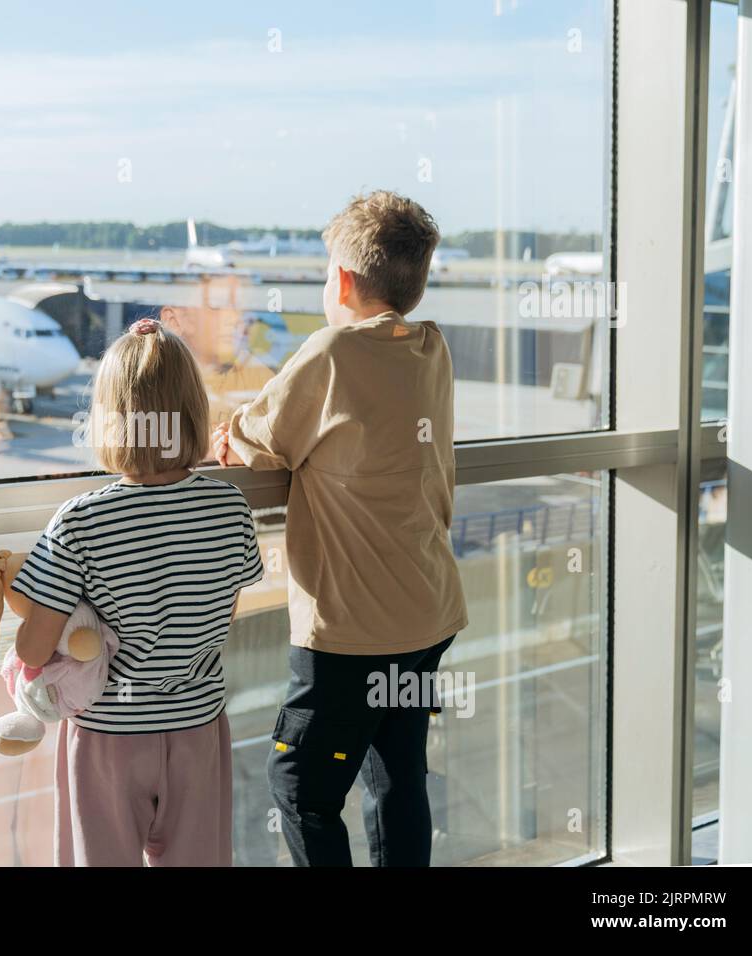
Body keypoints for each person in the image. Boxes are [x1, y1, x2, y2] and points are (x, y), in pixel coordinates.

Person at [212, 191, 468, 866]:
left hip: (351, 632)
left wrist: (228, 436)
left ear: (344, 282)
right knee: (397, 779)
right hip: (426, 613)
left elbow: (253, 441)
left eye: (328, 272)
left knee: (300, 785)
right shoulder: (431, 348)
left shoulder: (330, 353)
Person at [11, 315, 264, 866]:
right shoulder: (229, 508)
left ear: (108, 419)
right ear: (193, 412)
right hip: (197, 728)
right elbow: (221, 615)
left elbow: (32, 650)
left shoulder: (80, 521)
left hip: (108, 735)